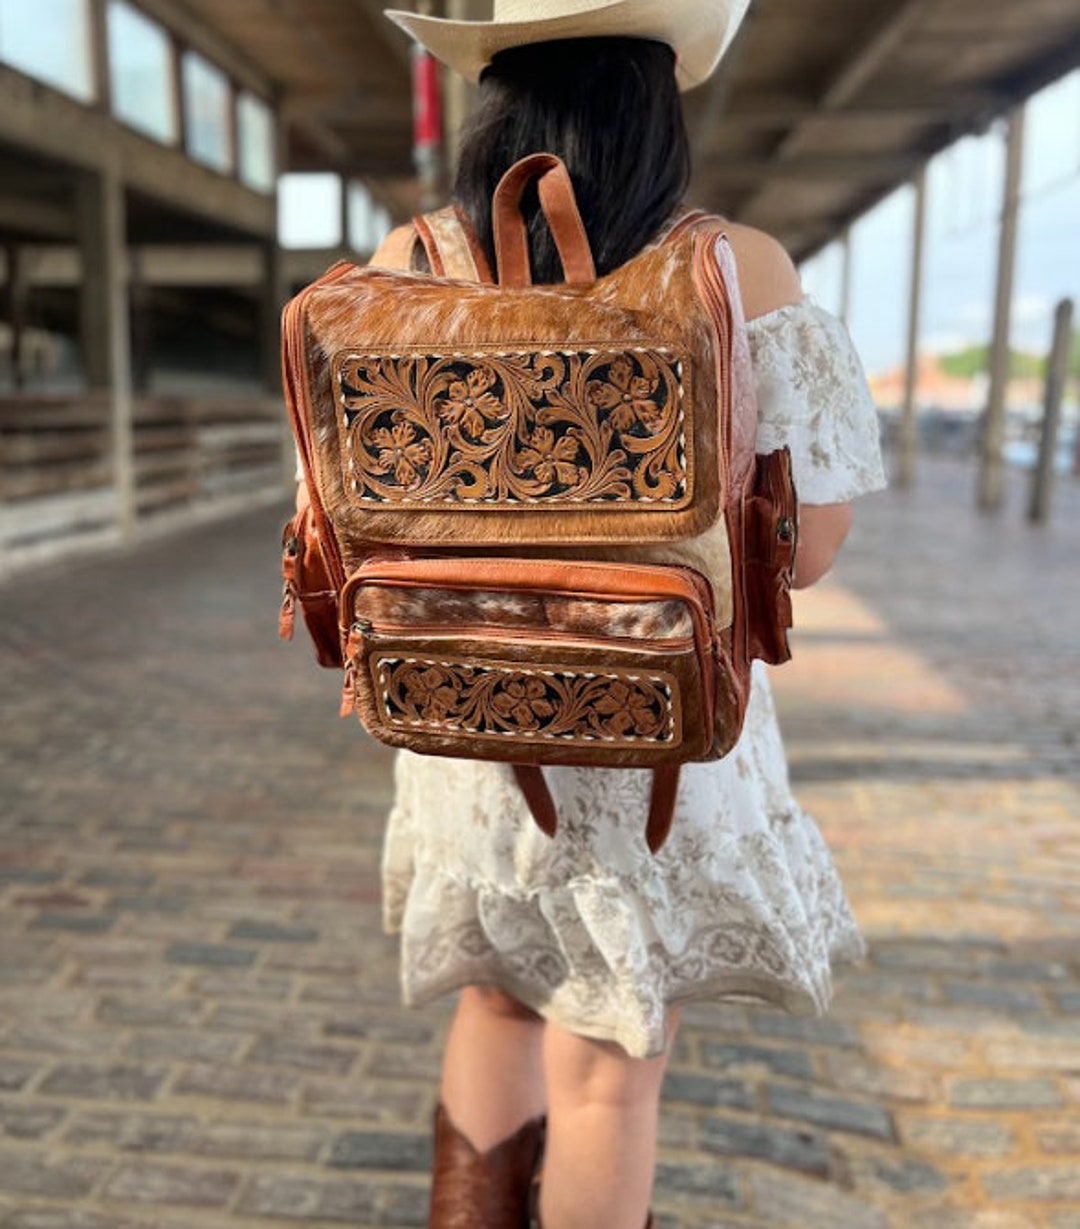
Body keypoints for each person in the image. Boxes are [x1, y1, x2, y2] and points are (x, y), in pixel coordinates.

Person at [303, 3, 887, 1225]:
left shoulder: (407, 266)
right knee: (610, 1068)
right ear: (657, 99)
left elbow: (335, 514)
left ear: (496, 98)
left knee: (499, 999)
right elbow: (814, 549)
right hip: (659, 727)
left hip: (466, 705)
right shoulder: (740, 267)